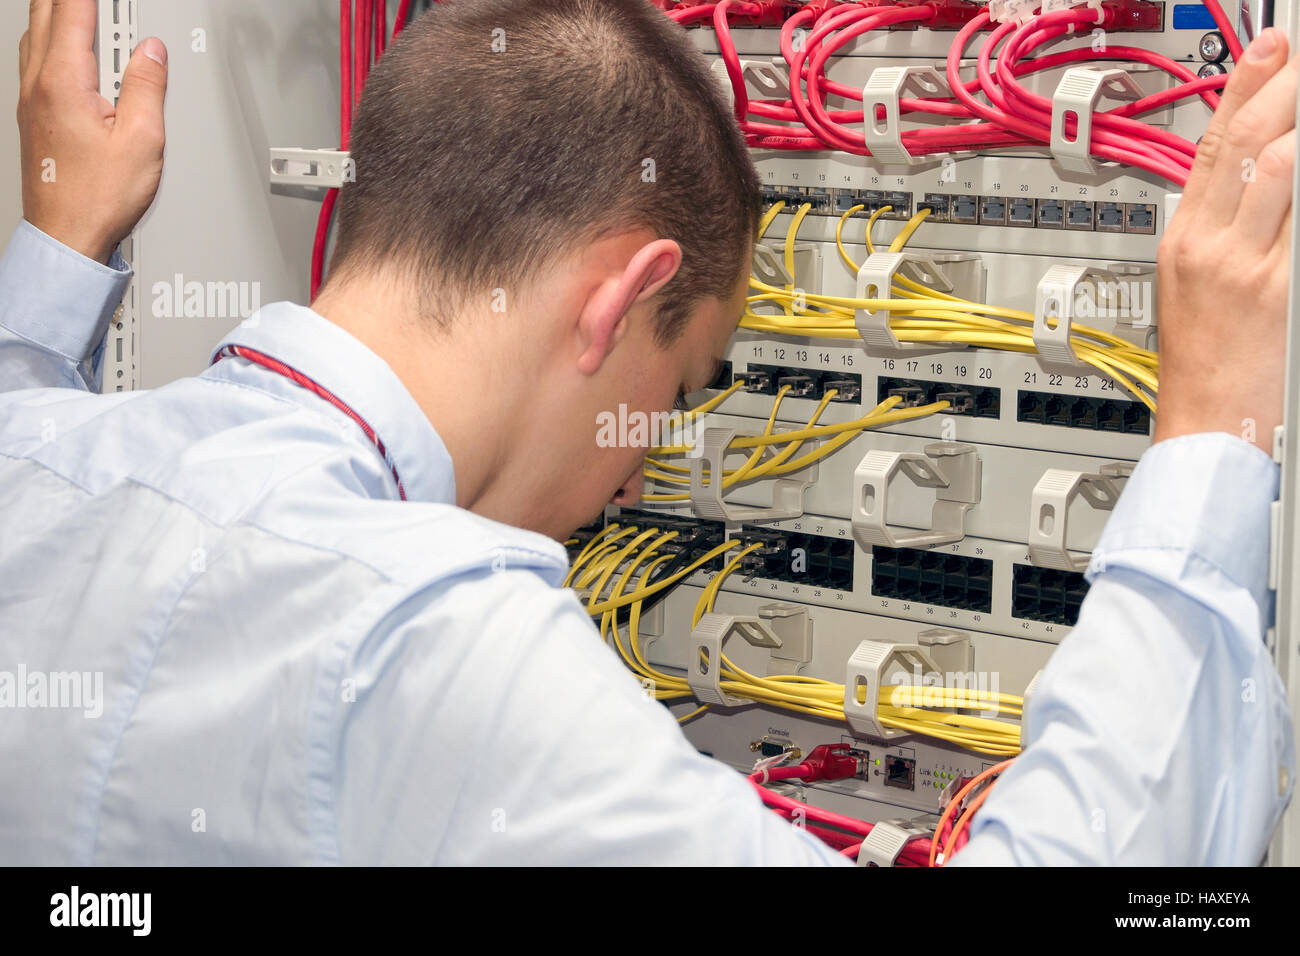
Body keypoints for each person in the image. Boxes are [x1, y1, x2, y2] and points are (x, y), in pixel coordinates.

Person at [0, 0, 1292, 866]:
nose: (631, 477)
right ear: (617, 300)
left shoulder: (34, 463)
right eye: (671, 398)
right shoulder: (441, 648)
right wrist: (1212, 427)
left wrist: (59, 249)